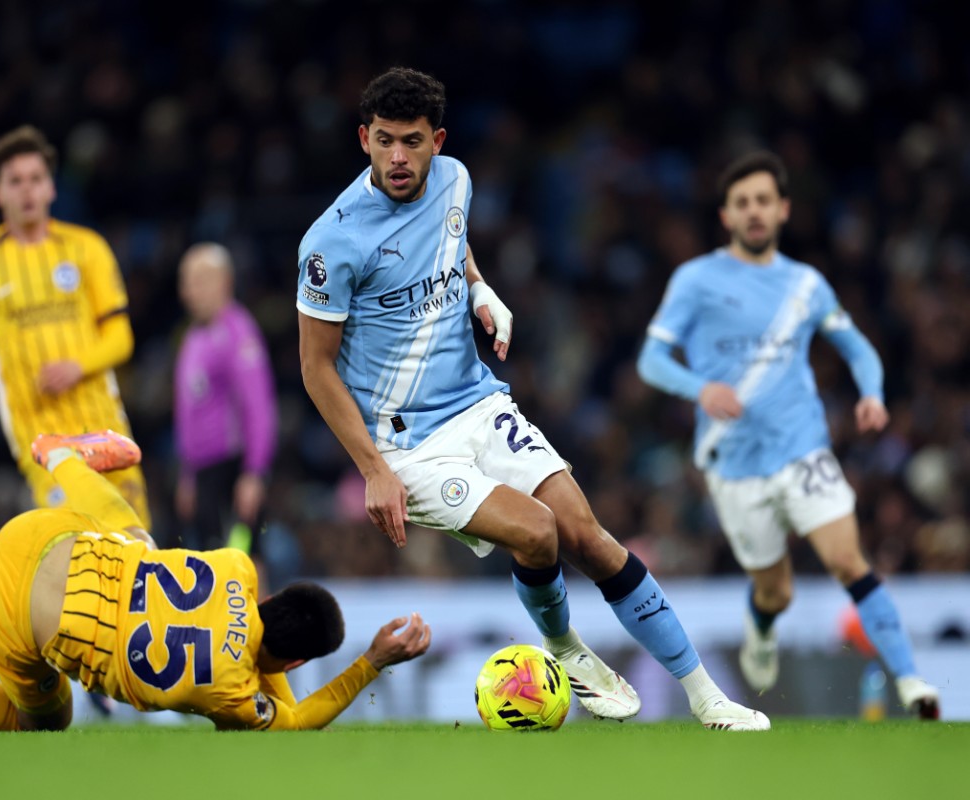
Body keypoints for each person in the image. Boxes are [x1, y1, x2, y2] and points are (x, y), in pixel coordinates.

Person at [296, 66, 768, 730]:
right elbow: (316, 368)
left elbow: (450, 246)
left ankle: (706, 697)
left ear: (438, 140)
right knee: (538, 533)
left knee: (590, 537)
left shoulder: (456, 179)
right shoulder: (331, 242)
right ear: (362, 139)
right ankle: (566, 648)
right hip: (407, 447)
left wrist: (481, 289)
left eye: (411, 141)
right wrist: (374, 469)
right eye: (382, 141)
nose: (397, 158)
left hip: (477, 403)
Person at [0, 431, 430, 732]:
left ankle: (60, 456)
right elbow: (293, 722)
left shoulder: (236, 568)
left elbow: (254, 627)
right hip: (0, 618)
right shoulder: (233, 695)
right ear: (293, 666)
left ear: (269, 594)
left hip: (37, 531)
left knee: (139, 543)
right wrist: (372, 661)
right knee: (42, 721)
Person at [636, 150, 940, 719]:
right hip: (732, 465)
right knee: (775, 589)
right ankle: (762, 628)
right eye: (742, 202)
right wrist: (699, 388)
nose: (754, 212)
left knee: (849, 560)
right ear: (726, 215)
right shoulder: (696, 280)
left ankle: (912, 683)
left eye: (764, 201)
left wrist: (872, 393)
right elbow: (651, 360)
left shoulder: (806, 285)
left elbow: (857, 348)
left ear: (783, 211)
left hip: (803, 448)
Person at [0, 125, 150, 527]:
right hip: (43, 445)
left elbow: (121, 337)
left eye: (36, 179)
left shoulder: (87, 248)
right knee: (73, 554)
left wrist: (77, 366)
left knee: (137, 549)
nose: (27, 190)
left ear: (51, 188)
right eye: (15, 181)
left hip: (107, 433)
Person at [174, 242, 276, 572]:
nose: (188, 291)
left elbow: (259, 407)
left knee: (245, 563)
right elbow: (189, 413)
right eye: (185, 280)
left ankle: (263, 625)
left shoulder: (238, 332)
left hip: (232, 470)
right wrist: (188, 473)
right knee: (210, 564)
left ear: (224, 282)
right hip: (204, 474)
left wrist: (253, 473)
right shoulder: (193, 337)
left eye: (198, 279)